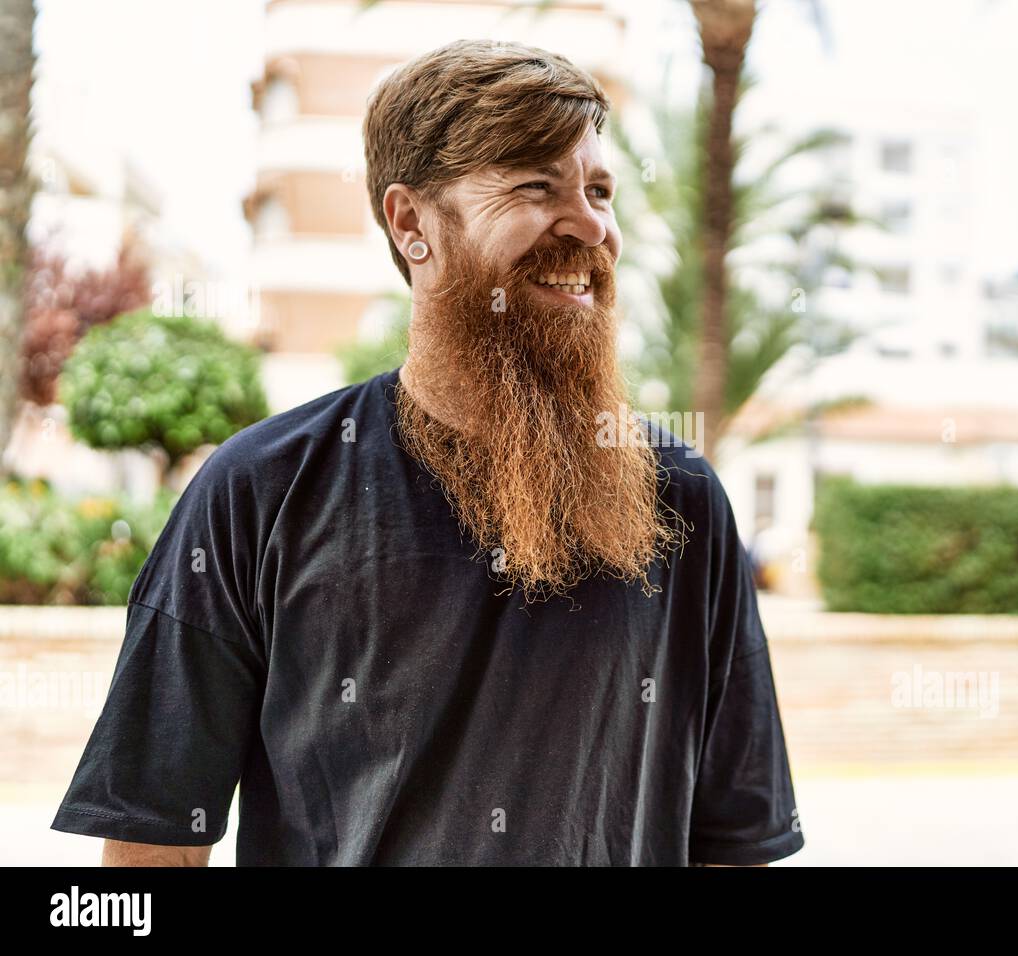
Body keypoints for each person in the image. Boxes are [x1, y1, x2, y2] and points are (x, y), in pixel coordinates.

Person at [50, 39, 804, 867]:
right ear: (411, 223)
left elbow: (735, 841)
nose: (591, 224)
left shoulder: (682, 497)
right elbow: (155, 843)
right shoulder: (259, 490)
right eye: (534, 186)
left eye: (598, 190)